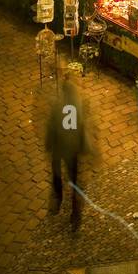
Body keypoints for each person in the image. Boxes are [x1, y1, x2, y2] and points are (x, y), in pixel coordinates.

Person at [45, 77, 96, 227]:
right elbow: (81, 127)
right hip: (72, 149)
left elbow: (51, 127)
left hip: (58, 147)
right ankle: (75, 212)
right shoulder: (77, 105)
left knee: (56, 174)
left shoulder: (57, 105)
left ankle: (58, 197)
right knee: (74, 179)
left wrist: (49, 144)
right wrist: (85, 147)